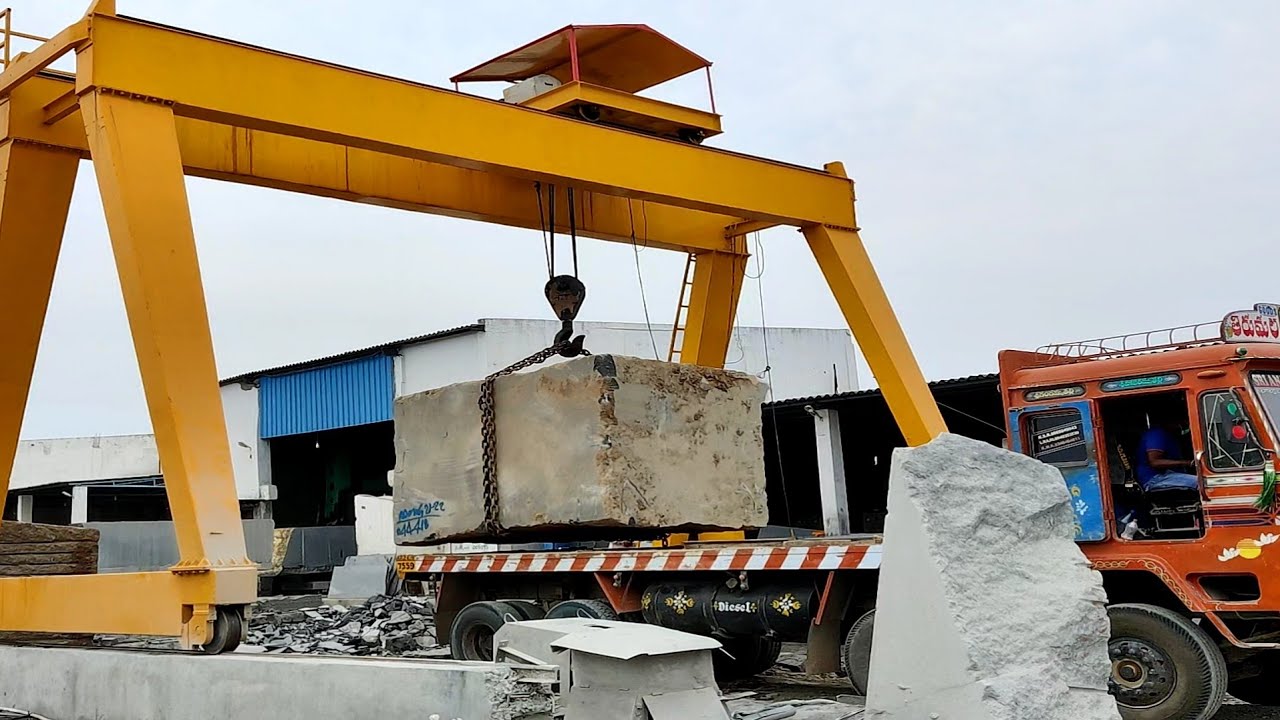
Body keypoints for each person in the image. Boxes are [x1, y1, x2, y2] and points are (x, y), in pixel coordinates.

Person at [1136, 422, 1199, 492]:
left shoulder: (1172, 436)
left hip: (1169, 475)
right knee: (1203, 483)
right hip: (1155, 479)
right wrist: (1188, 463)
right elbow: (1155, 462)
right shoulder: (1157, 434)